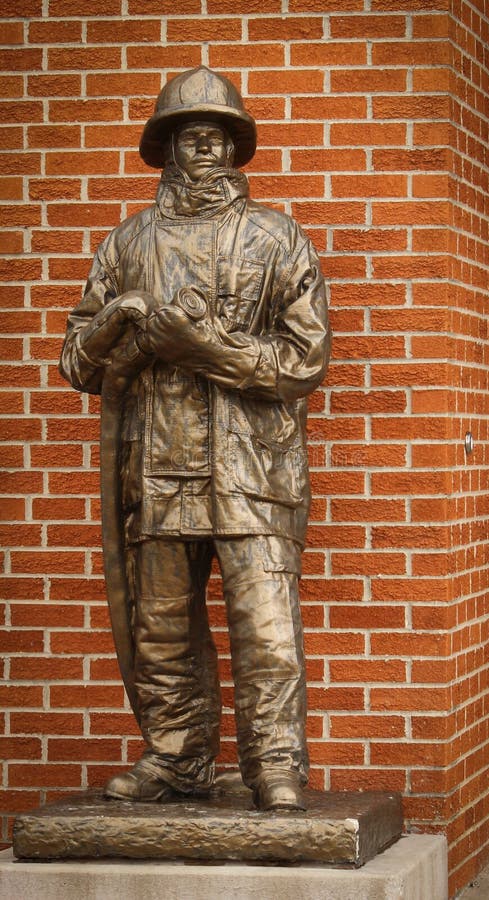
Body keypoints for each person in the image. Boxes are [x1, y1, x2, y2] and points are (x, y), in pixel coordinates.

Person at [59, 65, 330, 811]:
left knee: (266, 634)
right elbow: (77, 362)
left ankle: (275, 764)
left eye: (217, 136)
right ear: (167, 148)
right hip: (158, 466)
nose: (204, 149)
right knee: (163, 634)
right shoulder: (127, 244)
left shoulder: (277, 237)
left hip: (252, 470)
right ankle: (176, 757)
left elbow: (303, 362)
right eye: (189, 136)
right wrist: (120, 323)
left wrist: (199, 345)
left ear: (237, 147)